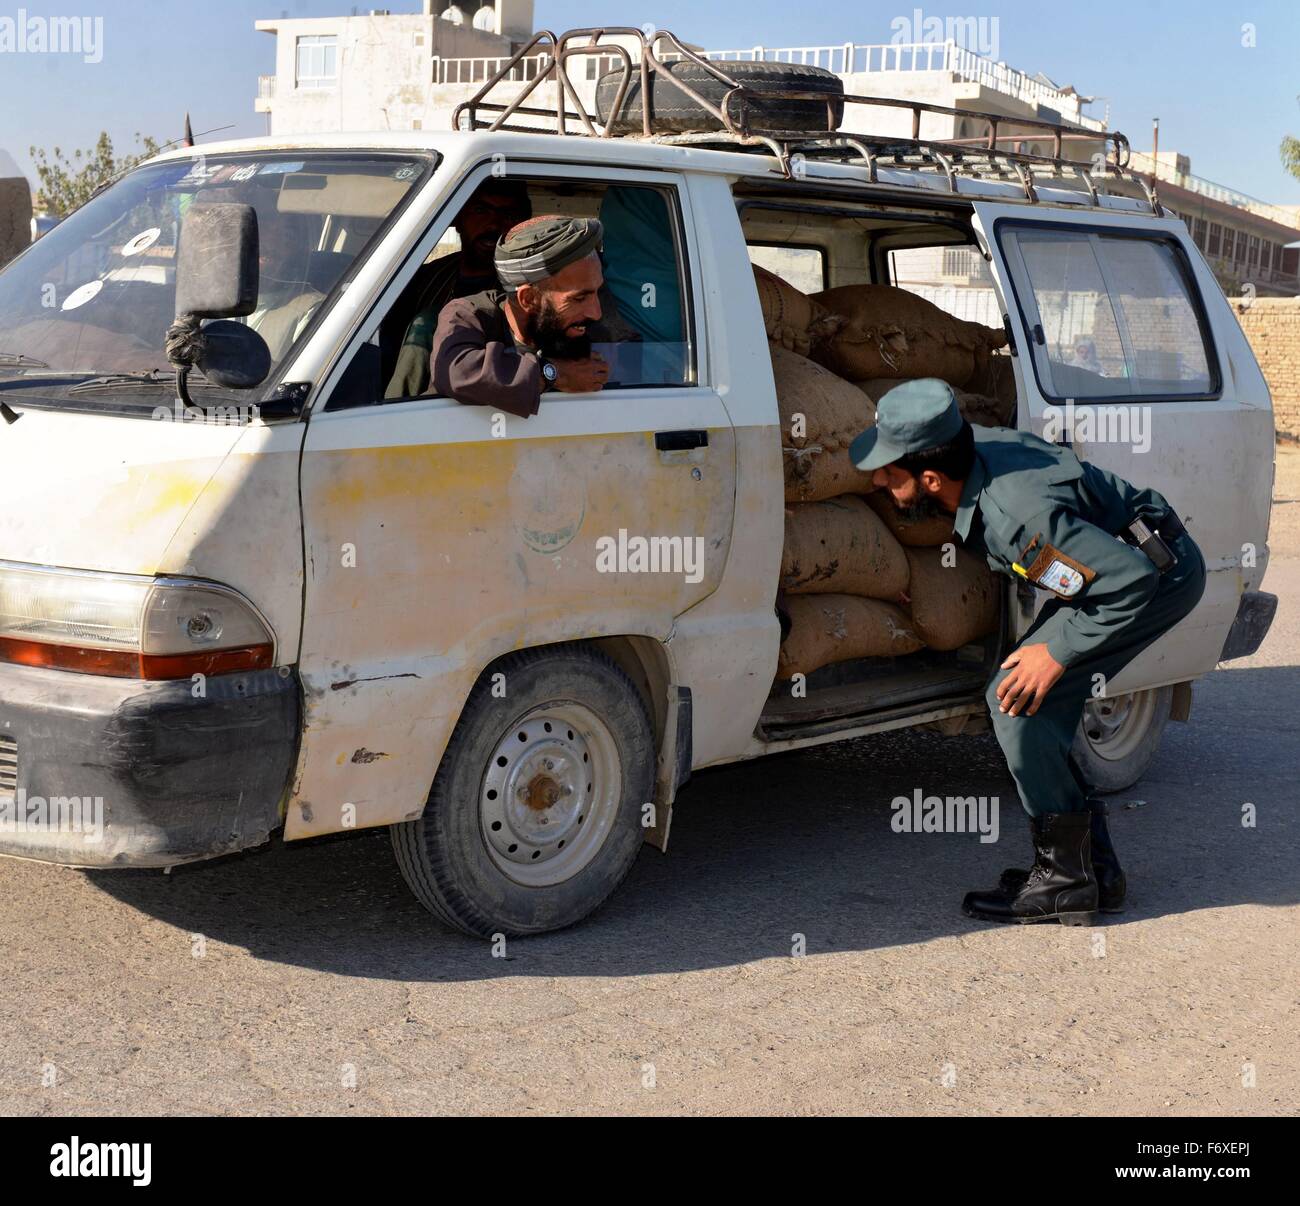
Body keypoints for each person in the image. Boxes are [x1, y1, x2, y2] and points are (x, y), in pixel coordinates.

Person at [850, 378, 1206, 925]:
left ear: (930, 477)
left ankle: (1066, 879)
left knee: (1016, 702)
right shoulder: (970, 451)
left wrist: (1055, 652)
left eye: (888, 472)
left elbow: (1128, 580)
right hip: (1116, 569)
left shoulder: (1016, 516)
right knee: (1033, 702)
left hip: (1156, 576)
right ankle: (1091, 873)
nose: (877, 480)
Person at [430, 214, 610, 417]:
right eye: (579, 299)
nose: (596, 313)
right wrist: (555, 374)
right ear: (529, 298)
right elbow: (459, 372)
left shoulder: (583, 330)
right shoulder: (468, 315)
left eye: (597, 292)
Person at [386, 178, 532, 398]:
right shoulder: (424, 278)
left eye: (509, 215)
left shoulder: (528, 290)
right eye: (481, 210)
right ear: (458, 218)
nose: (494, 225)